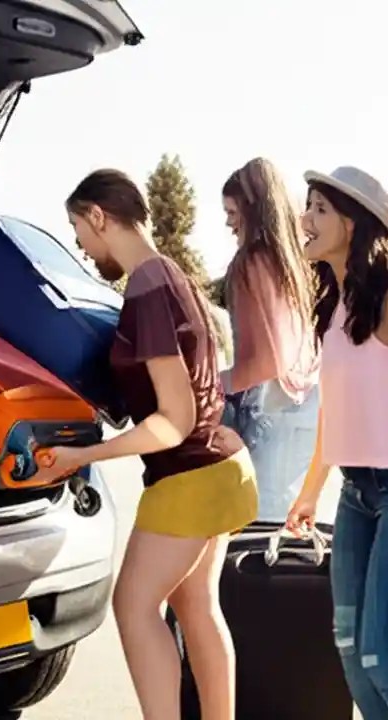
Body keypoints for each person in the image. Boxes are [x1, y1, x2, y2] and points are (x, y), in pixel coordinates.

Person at [48, 168, 259, 720]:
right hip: (221, 468)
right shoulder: (173, 276)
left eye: (78, 228)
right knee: (196, 606)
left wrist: (82, 457)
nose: (81, 246)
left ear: (98, 216)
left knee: (134, 607)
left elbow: (173, 420)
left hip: (188, 477)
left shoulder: (145, 286)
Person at [286, 165, 388, 720]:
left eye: (319, 209)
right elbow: (334, 410)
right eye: (308, 207)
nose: (305, 220)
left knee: (385, 659)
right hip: (354, 495)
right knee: (352, 656)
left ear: (353, 224)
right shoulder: (332, 306)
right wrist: (311, 491)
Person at [219, 157, 323, 523]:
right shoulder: (294, 263)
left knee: (256, 530)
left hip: (271, 408)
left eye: (232, 212)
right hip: (304, 403)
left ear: (252, 209)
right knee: (280, 529)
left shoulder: (252, 262)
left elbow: (268, 361)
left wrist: (212, 383)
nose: (228, 222)